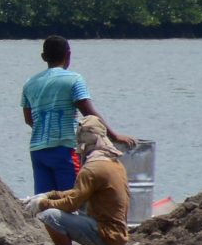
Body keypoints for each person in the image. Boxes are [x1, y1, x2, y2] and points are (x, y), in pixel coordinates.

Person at [22, 35, 133, 196]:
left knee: (43, 202)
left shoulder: (30, 83)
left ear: (43, 57)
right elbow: (88, 112)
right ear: (68, 55)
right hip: (64, 149)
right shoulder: (74, 79)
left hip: (37, 150)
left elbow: (28, 119)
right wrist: (114, 137)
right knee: (72, 198)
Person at [37, 115, 130, 245]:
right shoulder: (114, 163)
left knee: (49, 216)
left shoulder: (92, 168)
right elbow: (78, 193)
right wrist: (51, 194)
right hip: (118, 233)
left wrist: (43, 204)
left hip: (107, 236)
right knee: (76, 205)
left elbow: (71, 204)